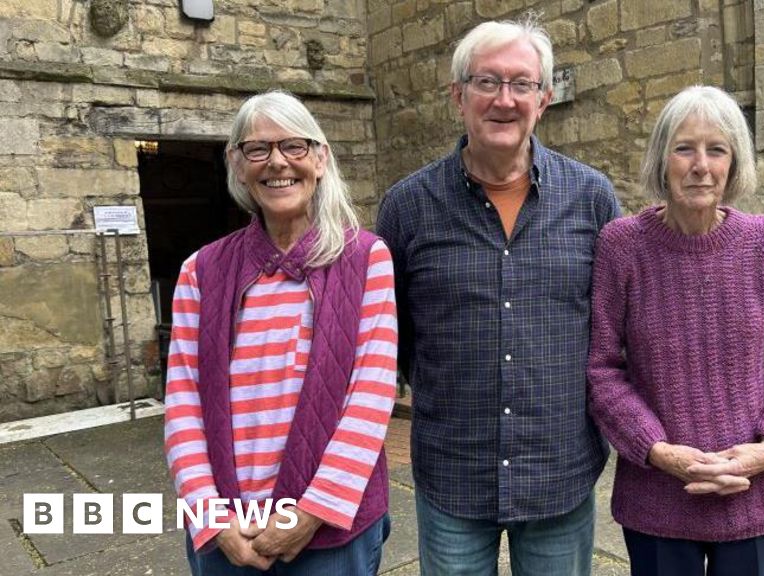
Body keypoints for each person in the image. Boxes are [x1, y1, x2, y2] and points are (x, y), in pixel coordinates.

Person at [375, 16, 621, 576]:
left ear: (546, 97)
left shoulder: (592, 199)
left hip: (559, 470)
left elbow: (614, 328)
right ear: (458, 96)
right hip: (454, 472)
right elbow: (393, 338)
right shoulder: (407, 206)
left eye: (522, 84)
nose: (504, 100)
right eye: (487, 82)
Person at [587, 85, 764, 576]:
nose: (701, 165)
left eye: (716, 149)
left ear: (734, 162)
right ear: (662, 158)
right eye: (685, 148)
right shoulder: (622, 246)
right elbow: (604, 370)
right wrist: (657, 450)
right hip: (657, 498)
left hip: (754, 496)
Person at [163, 90, 397, 575]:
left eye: (294, 146)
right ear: (237, 163)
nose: (277, 163)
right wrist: (212, 516)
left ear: (320, 158)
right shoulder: (199, 271)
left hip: (332, 528)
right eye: (257, 149)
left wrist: (308, 514)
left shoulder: (365, 258)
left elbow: (371, 395)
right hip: (228, 530)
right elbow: (183, 403)